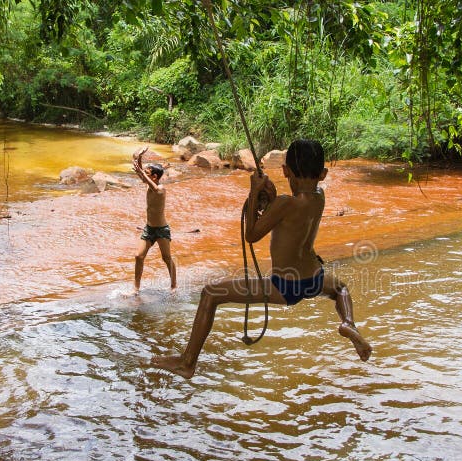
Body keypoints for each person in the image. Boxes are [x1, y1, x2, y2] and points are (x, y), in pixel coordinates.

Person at [151, 139, 372, 379]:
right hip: (315, 279)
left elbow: (252, 235)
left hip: (286, 286)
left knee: (210, 294)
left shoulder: (285, 204)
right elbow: (289, 218)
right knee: (340, 289)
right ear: (323, 174)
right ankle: (348, 323)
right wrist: (271, 198)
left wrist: (255, 191)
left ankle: (187, 363)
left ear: (285, 170)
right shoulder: (319, 196)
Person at [132, 146, 177, 293]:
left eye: (147, 173)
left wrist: (140, 171)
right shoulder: (149, 184)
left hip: (162, 230)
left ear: (155, 177)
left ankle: (173, 286)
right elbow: (142, 175)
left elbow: (153, 186)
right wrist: (139, 158)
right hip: (149, 229)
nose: (144, 176)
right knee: (138, 256)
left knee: (166, 258)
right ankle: (136, 288)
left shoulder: (160, 189)